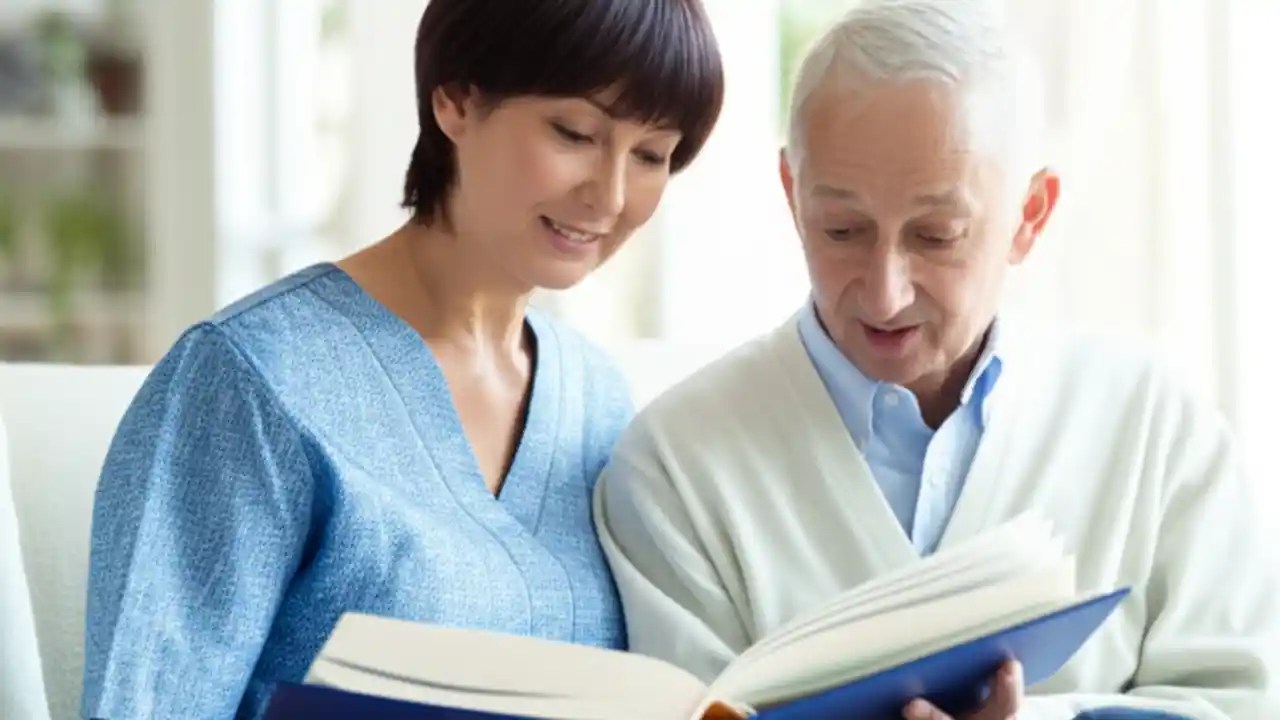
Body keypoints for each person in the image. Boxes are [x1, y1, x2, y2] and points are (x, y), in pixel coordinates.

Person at [594, 1, 1278, 719]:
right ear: (793, 195)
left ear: (1030, 215)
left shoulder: (1153, 428)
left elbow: (1244, 700)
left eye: (937, 236)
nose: (885, 294)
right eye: (843, 229)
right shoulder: (676, 464)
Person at [80, 1, 723, 717]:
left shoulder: (597, 400)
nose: (610, 195)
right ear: (456, 100)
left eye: (651, 155)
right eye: (574, 133)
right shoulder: (249, 379)